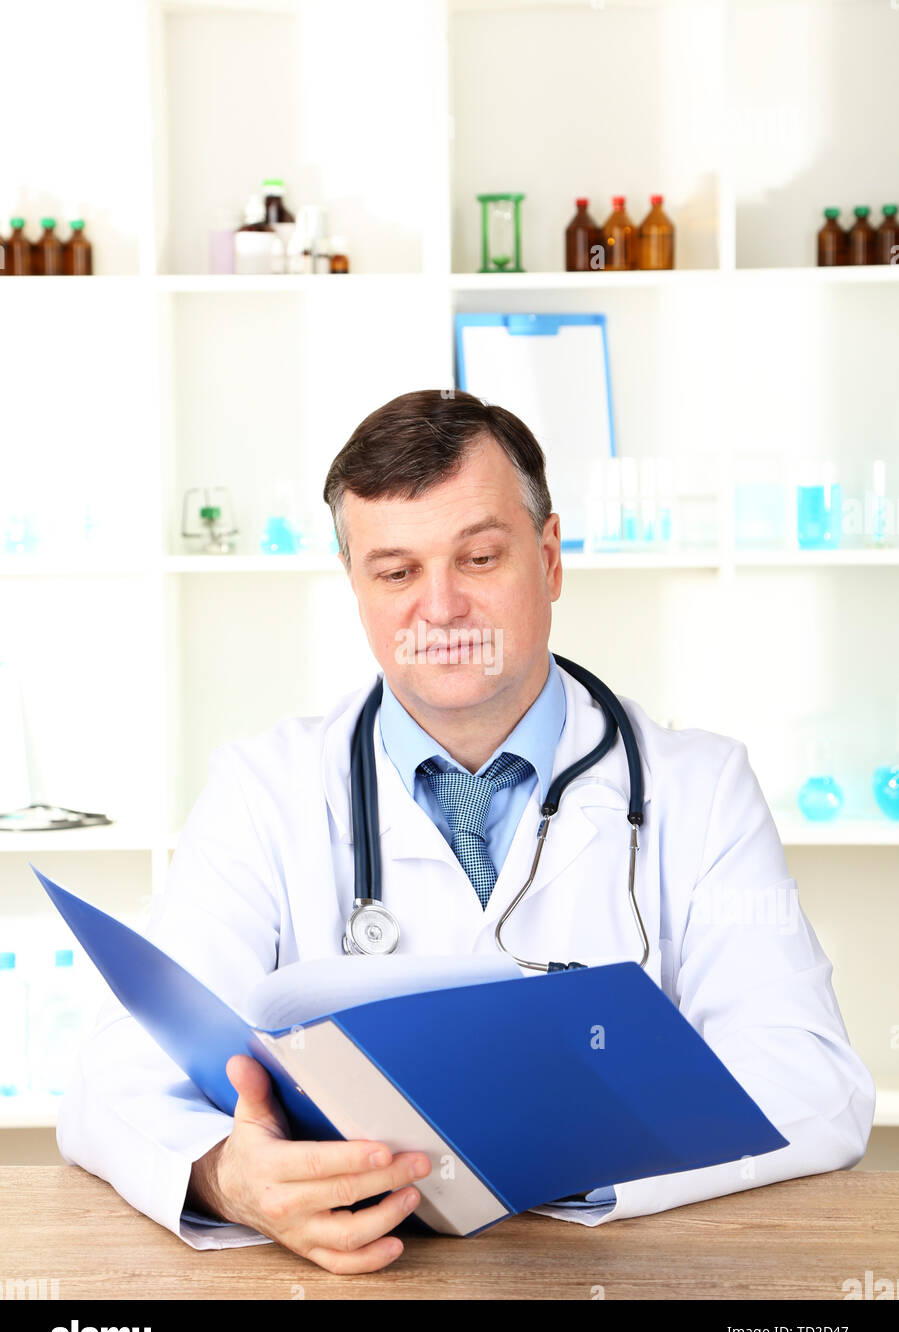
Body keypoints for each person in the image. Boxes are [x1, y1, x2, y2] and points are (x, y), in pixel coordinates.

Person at [57, 389, 875, 1275]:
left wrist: (552, 1158)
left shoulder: (699, 787)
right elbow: (116, 1074)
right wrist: (230, 1178)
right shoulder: (264, 789)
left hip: (624, 1278)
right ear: (356, 587)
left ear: (550, 558)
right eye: (396, 572)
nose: (440, 608)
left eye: (478, 556)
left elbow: (811, 1082)